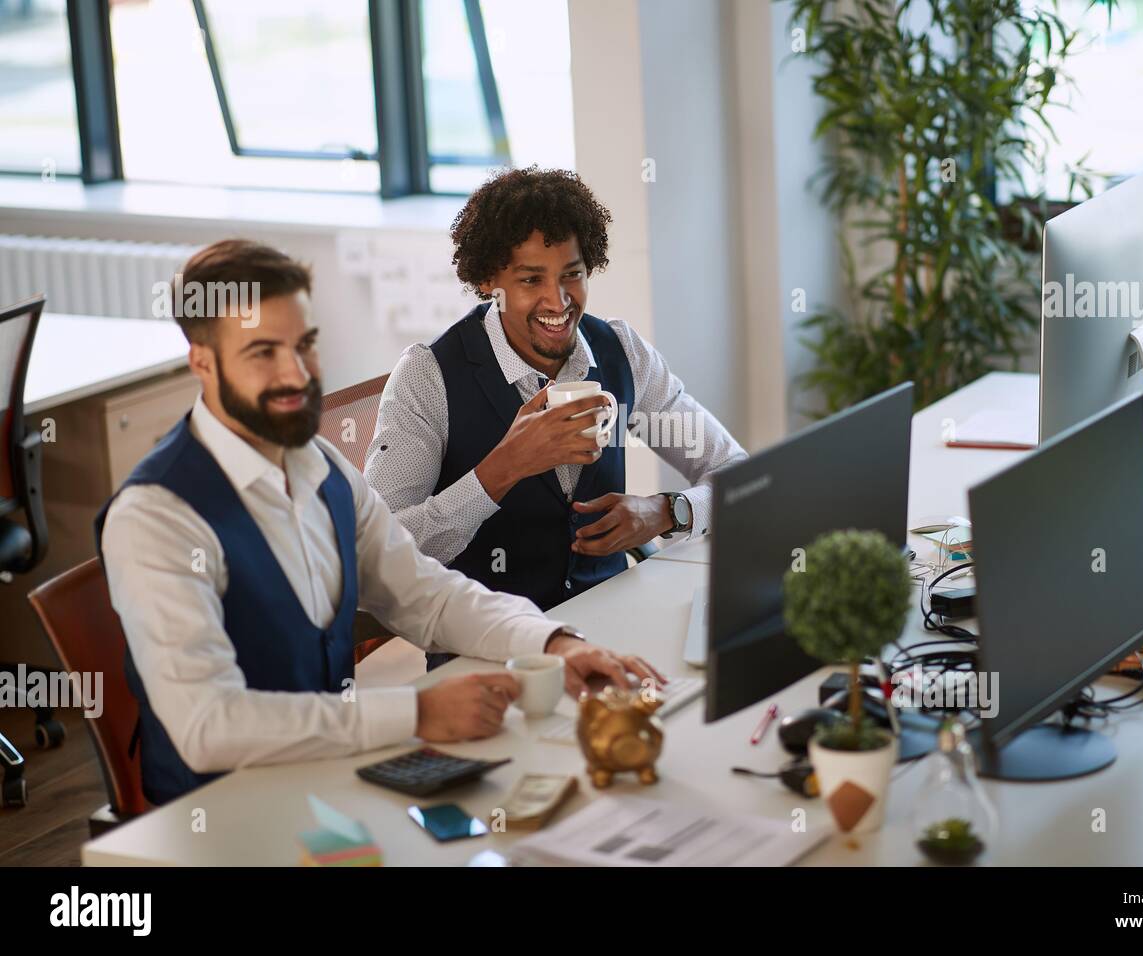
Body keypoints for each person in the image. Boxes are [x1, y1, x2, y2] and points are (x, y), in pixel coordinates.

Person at [98, 239, 662, 806]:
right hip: (221, 817)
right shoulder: (156, 517)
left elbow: (427, 596)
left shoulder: (321, 469)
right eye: (263, 353)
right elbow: (208, 728)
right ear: (203, 362)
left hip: (330, 785)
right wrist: (416, 711)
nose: (297, 375)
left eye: (305, 345)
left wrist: (554, 641)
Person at [366, 167, 747, 636]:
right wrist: (502, 469)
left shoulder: (620, 352)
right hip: (489, 646)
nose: (558, 301)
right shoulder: (428, 377)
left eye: (573, 274)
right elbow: (378, 554)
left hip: (612, 627)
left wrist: (666, 512)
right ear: (490, 280)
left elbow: (736, 472)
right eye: (531, 280)